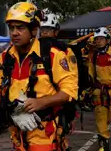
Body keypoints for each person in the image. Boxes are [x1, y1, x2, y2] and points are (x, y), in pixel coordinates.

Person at [0, 2, 78, 151]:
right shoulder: (6, 57)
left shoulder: (52, 55)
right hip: (17, 131)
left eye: (20, 28)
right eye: (11, 28)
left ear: (33, 30)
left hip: (44, 132)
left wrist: (41, 102)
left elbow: (69, 91)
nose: (14, 33)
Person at [39, 12, 78, 150]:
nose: (44, 33)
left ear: (55, 31)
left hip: (59, 101)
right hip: (38, 106)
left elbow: (72, 78)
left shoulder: (65, 51)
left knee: (59, 133)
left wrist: (71, 102)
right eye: (42, 30)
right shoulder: (33, 50)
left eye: (47, 30)